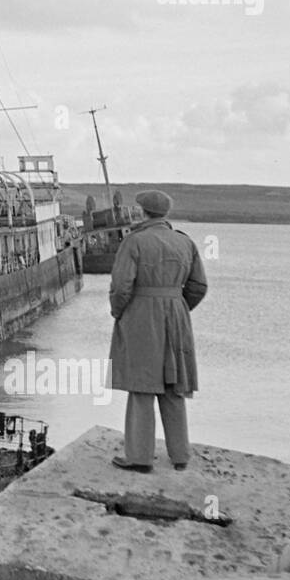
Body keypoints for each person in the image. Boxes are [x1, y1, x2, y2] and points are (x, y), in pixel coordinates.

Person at [108, 190, 207, 472]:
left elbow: (121, 287)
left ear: (143, 212)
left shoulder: (134, 241)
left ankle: (139, 458)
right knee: (174, 385)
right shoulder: (184, 242)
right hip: (177, 315)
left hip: (142, 315)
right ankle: (180, 456)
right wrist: (178, 306)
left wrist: (119, 311)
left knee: (141, 387)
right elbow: (199, 286)